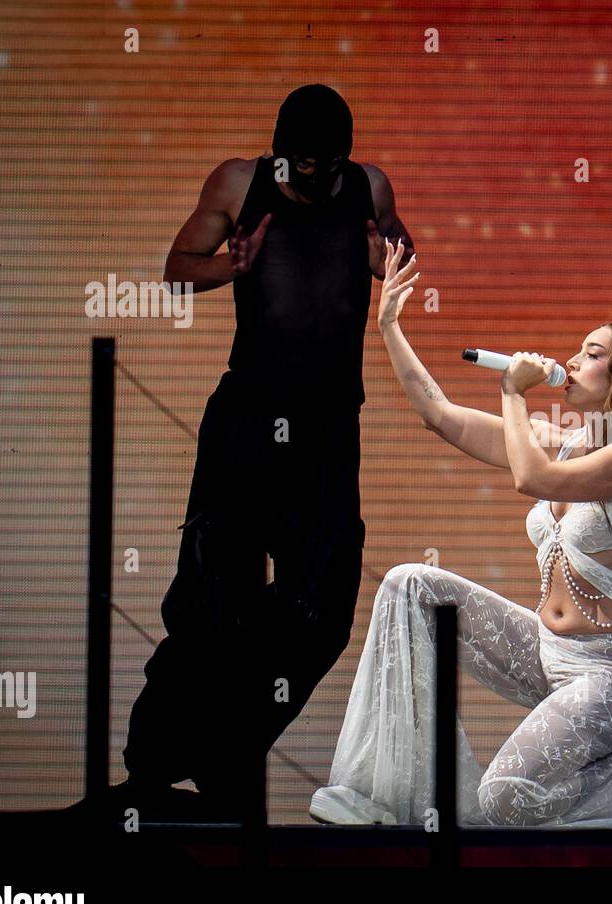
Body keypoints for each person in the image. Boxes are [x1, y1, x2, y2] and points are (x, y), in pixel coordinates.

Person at [309, 239, 612, 827]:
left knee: (503, 799)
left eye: (590, 354)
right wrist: (389, 327)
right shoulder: (556, 438)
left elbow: (532, 479)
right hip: (545, 651)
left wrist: (512, 391)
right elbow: (441, 416)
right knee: (410, 585)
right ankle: (377, 793)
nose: (571, 361)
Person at [116, 84, 415, 815]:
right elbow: (177, 269)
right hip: (247, 424)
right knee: (212, 602)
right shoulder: (238, 183)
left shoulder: (368, 185)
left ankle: (224, 750)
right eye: (305, 165)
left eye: (332, 166)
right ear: (281, 152)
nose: (318, 179)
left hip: (327, 432)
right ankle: (153, 765)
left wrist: (389, 257)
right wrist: (233, 267)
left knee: (325, 607)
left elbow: (402, 259)